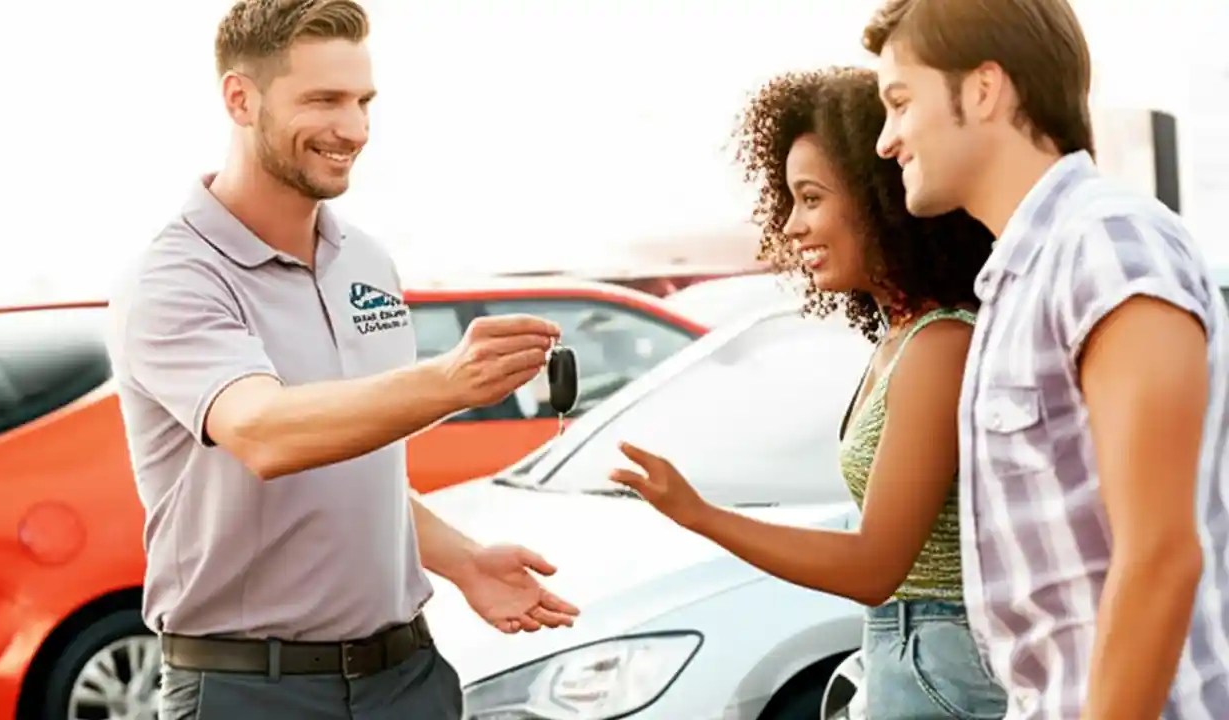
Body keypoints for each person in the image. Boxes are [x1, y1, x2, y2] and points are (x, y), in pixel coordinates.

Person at [105, 2, 579, 718]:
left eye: (362, 101)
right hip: (249, 692)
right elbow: (266, 432)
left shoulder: (364, 259)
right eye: (323, 100)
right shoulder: (173, 278)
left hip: (408, 677)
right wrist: (449, 381)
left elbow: (355, 466)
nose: (354, 129)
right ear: (241, 98)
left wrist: (460, 560)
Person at [863, 1, 1229, 718]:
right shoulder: (1022, 274)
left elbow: (1159, 556)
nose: (887, 140)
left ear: (984, 89)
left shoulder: (1105, 243)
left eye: (900, 103)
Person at [608, 66, 1007, 718]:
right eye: (789, 200)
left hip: (938, 657)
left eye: (812, 198)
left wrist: (701, 514)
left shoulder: (941, 347)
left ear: (879, 200)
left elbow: (875, 565)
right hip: (906, 648)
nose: (792, 226)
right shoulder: (901, 338)